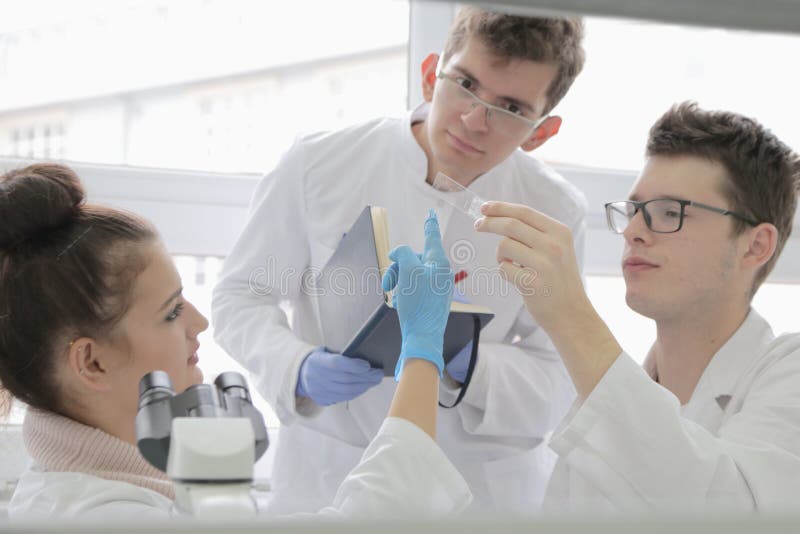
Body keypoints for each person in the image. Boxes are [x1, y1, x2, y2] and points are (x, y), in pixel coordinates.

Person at [212, 7, 587, 514]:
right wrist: (296, 366)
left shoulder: (555, 213)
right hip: (331, 474)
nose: (476, 120)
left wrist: (465, 358)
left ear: (542, 131)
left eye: (511, 107)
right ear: (432, 74)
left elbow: (562, 376)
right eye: (466, 83)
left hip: (481, 492)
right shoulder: (319, 164)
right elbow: (240, 297)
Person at [0, 163, 471, 518]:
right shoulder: (106, 518)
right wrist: (422, 349)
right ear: (91, 363)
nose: (199, 322)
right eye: (170, 311)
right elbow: (367, 521)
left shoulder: (124, 476)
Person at [473, 102, 800, 512]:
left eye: (669, 212)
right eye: (635, 210)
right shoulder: (604, 403)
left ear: (756, 245)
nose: (632, 232)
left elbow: (734, 511)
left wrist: (572, 318)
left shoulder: (788, 375)